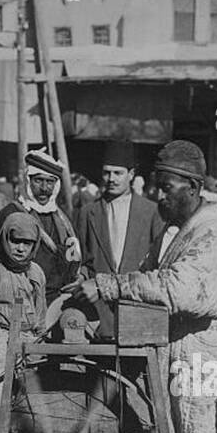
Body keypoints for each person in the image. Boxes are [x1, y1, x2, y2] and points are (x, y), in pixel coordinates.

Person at [66, 140, 217, 433]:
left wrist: (109, 285)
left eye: (168, 187)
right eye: (158, 186)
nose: (160, 195)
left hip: (199, 358)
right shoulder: (181, 232)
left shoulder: (212, 232)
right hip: (174, 352)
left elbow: (176, 289)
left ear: (194, 187)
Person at [74, 140, 166, 336]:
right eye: (107, 172)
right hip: (97, 317)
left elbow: (160, 266)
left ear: (131, 174)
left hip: (138, 313)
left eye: (118, 173)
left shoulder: (151, 213)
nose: (111, 179)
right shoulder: (87, 213)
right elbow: (81, 260)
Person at [0, 211, 50, 433]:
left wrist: (39, 336)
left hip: (27, 339)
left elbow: (40, 311)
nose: (20, 248)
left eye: (27, 243)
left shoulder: (36, 273)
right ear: (5, 239)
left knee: (30, 396)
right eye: (15, 241)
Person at [0, 150, 81, 308]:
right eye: (38, 180)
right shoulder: (10, 214)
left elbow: (78, 255)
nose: (45, 188)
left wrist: (79, 277)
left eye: (50, 182)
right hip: (20, 300)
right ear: (27, 180)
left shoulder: (62, 218)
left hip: (58, 301)